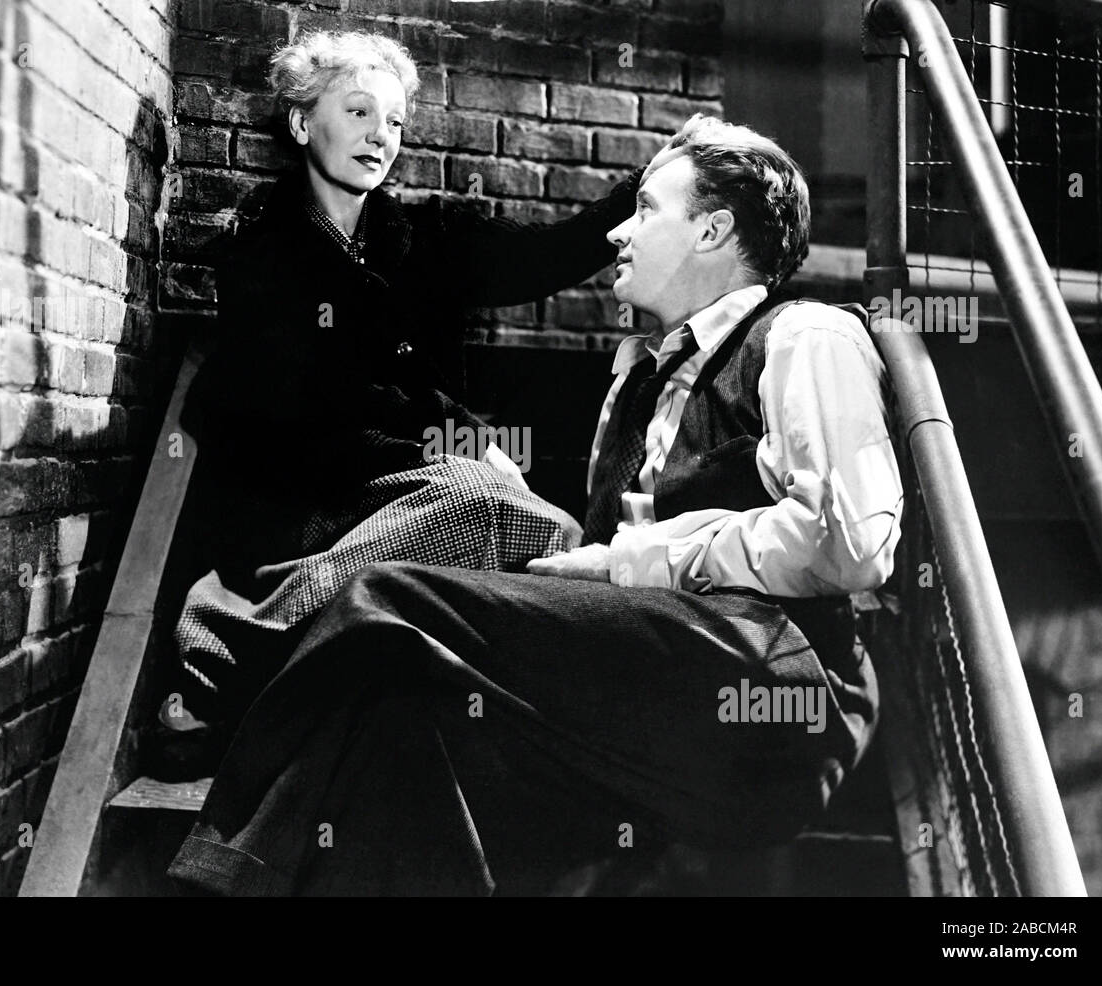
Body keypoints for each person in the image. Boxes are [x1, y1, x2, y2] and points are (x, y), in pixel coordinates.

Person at [168, 114, 905, 896]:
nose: (619, 232)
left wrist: (635, 559)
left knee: (384, 598)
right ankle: (234, 877)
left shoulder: (806, 336)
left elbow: (854, 542)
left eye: (646, 209)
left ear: (714, 230)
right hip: (651, 707)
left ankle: (227, 711)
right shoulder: (636, 380)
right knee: (401, 722)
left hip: (778, 695)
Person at [169, 30, 648, 734]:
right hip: (302, 502)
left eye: (394, 121)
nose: (380, 136)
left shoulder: (426, 238)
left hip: (410, 498)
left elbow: (545, 259)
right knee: (492, 506)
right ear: (303, 124)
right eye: (360, 112)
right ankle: (224, 653)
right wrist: (464, 439)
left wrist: (642, 188)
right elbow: (325, 408)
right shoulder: (260, 256)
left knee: (548, 530)